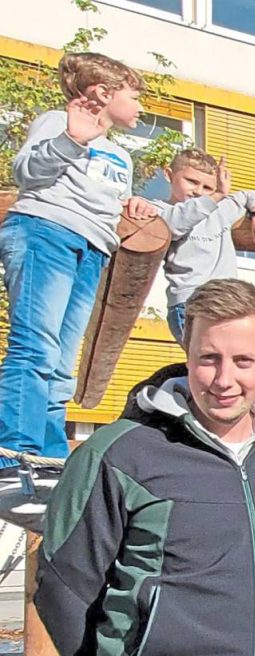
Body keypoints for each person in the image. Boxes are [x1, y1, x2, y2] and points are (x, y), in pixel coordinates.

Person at [36, 279, 255, 656]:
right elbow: (62, 582)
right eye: (208, 358)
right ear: (186, 354)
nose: (224, 379)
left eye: (243, 360)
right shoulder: (120, 454)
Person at [0, 52, 149, 491]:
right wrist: (71, 139)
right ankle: (14, 452)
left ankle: (48, 459)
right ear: (103, 93)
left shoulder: (120, 154)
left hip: (92, 248)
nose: (140, 108)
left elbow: (105, 199)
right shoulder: (57, 122)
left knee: (62, 363)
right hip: (46, 232)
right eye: (134, 96)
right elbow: (26, 171)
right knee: (35, 347)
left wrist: (134, 205)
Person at [150, 148, 255, 345]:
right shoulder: (161, 211)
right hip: (190, 302)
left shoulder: (220, 210)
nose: (198, 191)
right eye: (191, 181)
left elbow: (251, 195)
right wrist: (216, 195)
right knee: (204, 357)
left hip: (227, 300)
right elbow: (176, 223)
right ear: (169, 174)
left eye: (207, 187)